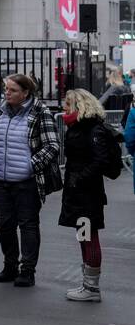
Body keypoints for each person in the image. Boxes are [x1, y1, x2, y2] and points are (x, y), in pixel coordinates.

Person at [0, 73, 61, 288]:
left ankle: (28, 270)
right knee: (5, 225)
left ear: (26, 93)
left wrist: (30, 165)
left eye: (13, 90)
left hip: (26, 182)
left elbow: (52, 146)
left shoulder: (40, 112)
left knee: (28, 225)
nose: (7, 93)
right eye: (6, 89)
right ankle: (10, 265)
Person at [58, 89, 115, 303]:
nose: (63, 106)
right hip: (80, 193)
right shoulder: (79, 127)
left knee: (88, 236)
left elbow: (99, 160)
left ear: (78, 105)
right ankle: (88, 283)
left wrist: (78, 179)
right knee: (84, 236)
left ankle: (91, 287)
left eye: (67, 102)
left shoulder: (90, 129)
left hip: (86, 194)